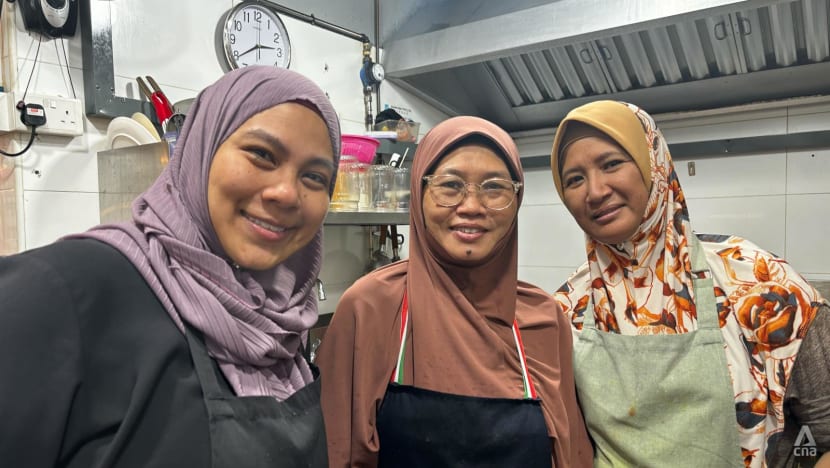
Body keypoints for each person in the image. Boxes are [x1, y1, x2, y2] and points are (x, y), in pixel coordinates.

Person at [0, 66, 341, 467]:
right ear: (201, 148)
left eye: (315, 176)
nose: (286, 193)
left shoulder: (280, 321)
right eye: (262, 154)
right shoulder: (63, 294)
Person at [549, 100, 830, 467]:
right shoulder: (569, 308)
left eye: (611, 163)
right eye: (574, 179)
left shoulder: (759, 284)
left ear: (654, 163)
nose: (595, 190)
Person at [317, 116, 593, 468]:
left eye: (494, 187)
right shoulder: (371, 307)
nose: (472, 207)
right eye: (450, 185)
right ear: (418, 192)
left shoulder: (545, 318)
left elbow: (572, 458)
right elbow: (337, 453)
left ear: (516, 200)